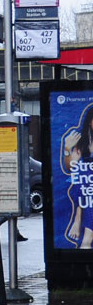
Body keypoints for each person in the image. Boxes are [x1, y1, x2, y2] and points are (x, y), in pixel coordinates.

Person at [62, 102, 93, 248]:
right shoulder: (84, 143)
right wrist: (67, 149)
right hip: (86, 190)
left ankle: (79, 219)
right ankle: (82, 225)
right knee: (83, 179)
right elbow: (70, 166)